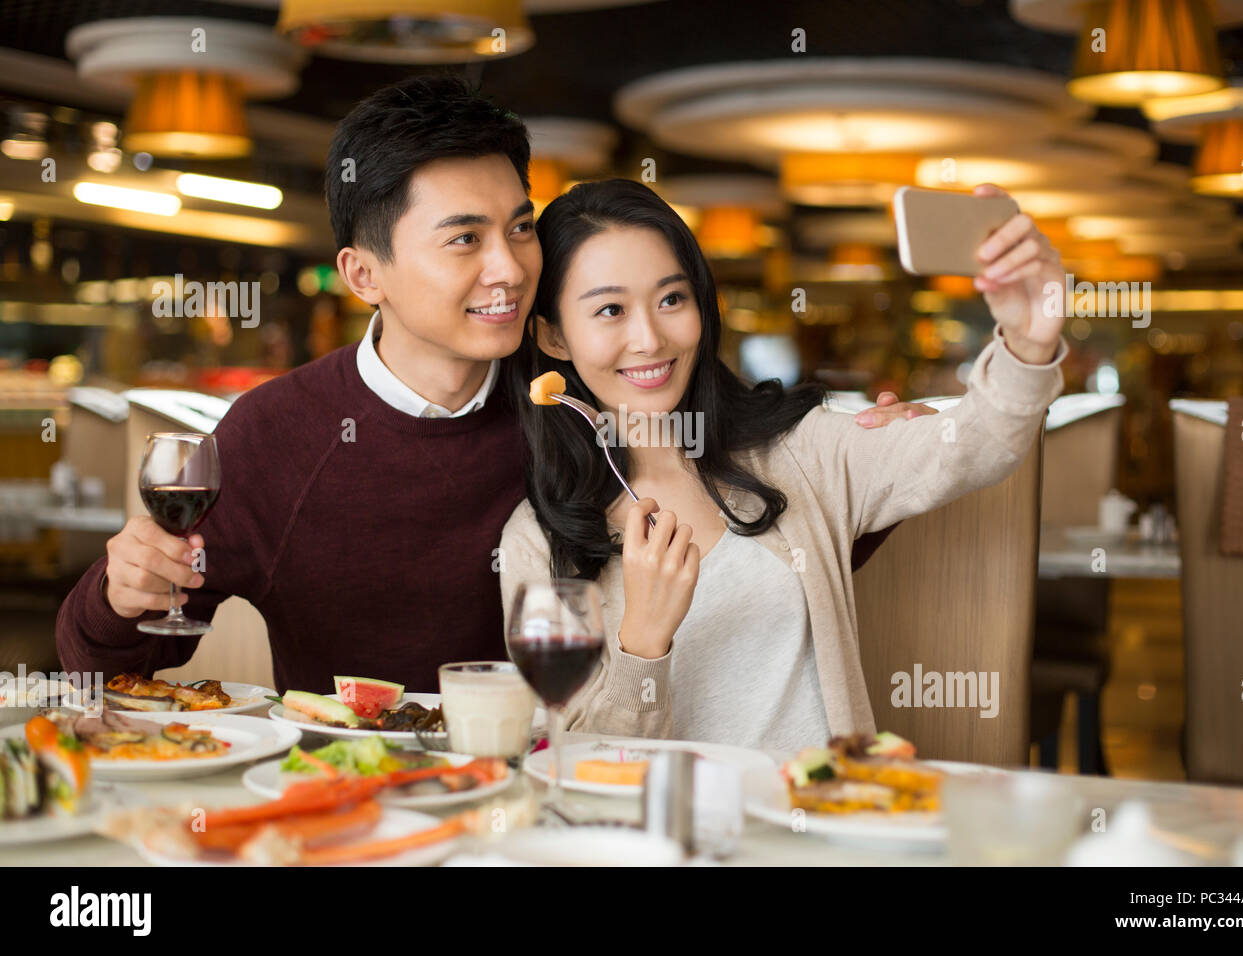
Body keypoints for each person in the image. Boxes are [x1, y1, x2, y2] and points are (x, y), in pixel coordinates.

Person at [54, 74, 927, 694]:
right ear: (366, 274)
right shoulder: (274, 436)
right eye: (464, 239)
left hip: (579, 792)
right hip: (369, 816)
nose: (511, 268)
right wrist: (120, 590)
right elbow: (106, 665)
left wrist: (862, 471)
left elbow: (745, 527)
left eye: (518, 226)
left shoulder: (585, 386)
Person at [499, 179, 1068, 752]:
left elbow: (977, 444)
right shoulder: (536, 540)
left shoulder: (798, 449)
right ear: (553, 335)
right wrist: (643, 642)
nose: (649, 338)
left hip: (823, 818)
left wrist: (1027, 339)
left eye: (672, 299)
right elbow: (572, 766)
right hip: (661, 838)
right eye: (610, 310)